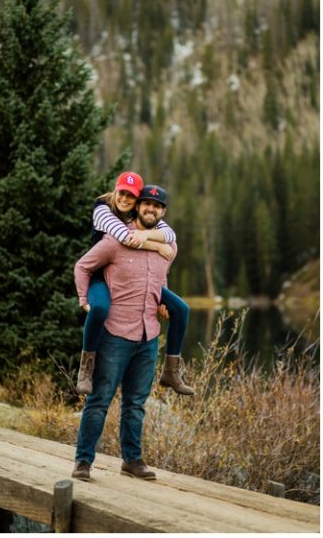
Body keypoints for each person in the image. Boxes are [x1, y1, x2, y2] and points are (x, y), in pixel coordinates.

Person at [72, 184, 177, 481]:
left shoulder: (167, 246)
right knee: (99, 400)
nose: (150, 210)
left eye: (157, 207)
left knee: (135, 403)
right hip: (115, 334)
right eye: (146, 204)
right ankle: (83, 462)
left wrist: (162, 302)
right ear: (137, 207)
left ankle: (131, 460)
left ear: (163, 212)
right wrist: (84, 301)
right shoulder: (115, 239)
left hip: (148, 337)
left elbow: (159, 279)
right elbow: (82, 266)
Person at [76, 171, 194, 396]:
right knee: (100, 308)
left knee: (181, 309)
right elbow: (126, 237)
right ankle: (85, 369)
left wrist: (162, 296)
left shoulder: (135, 214)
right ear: (115, 191)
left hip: (140, 283)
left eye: (131, 196)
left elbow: (169, 234)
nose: (125, 199)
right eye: (122, 193)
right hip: (100, 276)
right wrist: (157, 245)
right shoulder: (102, 209)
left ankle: (171, 371)